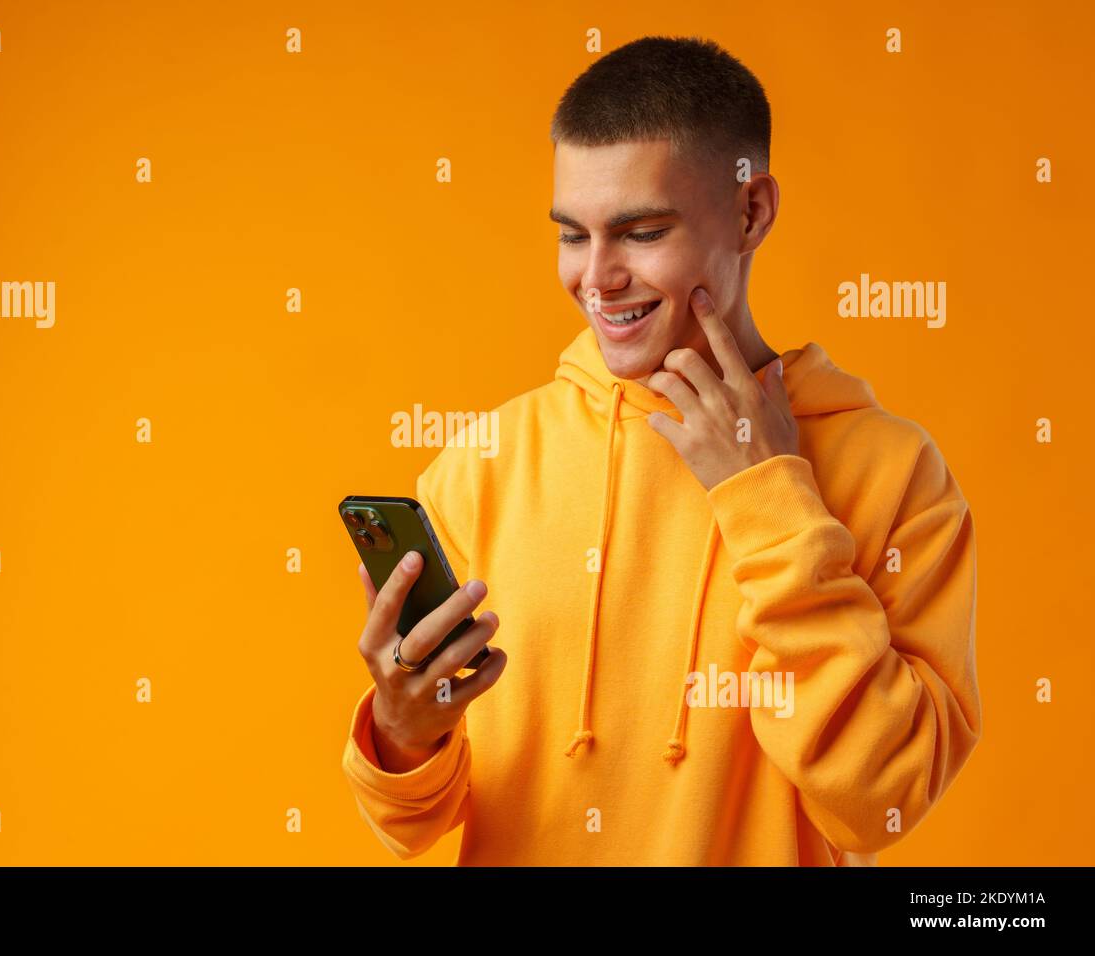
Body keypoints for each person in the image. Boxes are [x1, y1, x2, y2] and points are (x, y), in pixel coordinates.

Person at [341, 34, 981, 865]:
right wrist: (400, 730)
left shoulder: (893, 473)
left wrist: (770, 497)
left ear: (751, 212)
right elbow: (410, 824)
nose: (597, 278)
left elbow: (884, 799)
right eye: (573, 236)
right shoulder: (483, 464)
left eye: (641, 232)